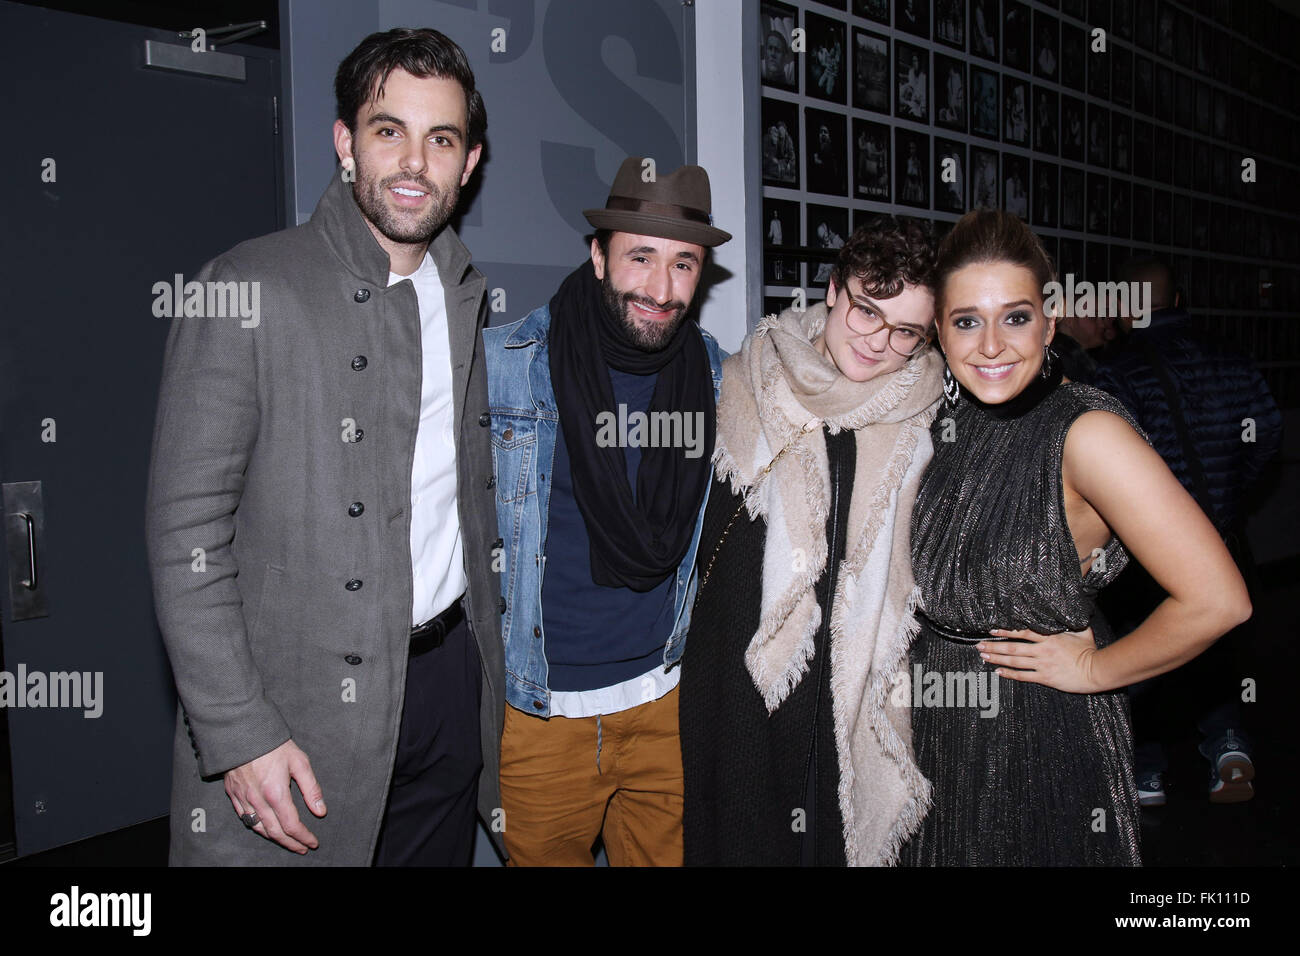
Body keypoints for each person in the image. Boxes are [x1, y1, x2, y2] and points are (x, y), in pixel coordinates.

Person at [146, 28, 502, 866]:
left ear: (469, 162)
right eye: (389, 130)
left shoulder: (467, 303)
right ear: (346, 143)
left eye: (440, 139)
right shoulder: (247, 286)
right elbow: (183, 532)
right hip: (297, 712)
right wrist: (237, 733)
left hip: (448, 691)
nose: (415, 161)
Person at [899, 210, 1251, 866]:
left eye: (1016, 316)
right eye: (967, 320)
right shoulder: (941, 423)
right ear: (938, 334)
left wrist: (1094, 668)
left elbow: (1218, 599)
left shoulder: (1087, 434)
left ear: (1050, 323)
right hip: (934, 731)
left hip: (1039, 740)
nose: (992, 345)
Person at [484, 157, 731, 866]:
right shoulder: (507, 364)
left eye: (683, 265)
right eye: (641, 258)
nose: (660, 289)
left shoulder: (715, 375)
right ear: (597, 255)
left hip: (667, 704)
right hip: (543, 715)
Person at [681, 217, 944, 866]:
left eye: (905, 330)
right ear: (834, 290)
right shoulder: (748, 374)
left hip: (856, 676)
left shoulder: (933, 414)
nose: (878, 341)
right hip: (747, 664)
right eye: (865, 310)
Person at [1094, 258, 1282, 805]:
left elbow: (1110, 468)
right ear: (1179, 303)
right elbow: (1267, 433)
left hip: (1145, 549)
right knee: (1215, 646)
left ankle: (1146, 772)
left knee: (1148, 647)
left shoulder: (1118, 371)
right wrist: (1228, 499)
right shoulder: (1232, 357)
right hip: (1221, 534)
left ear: (1128, 312)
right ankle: (1228, 748)